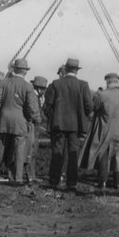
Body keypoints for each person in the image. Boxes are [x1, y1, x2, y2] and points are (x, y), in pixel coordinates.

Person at [43, 57, 93, 191]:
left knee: (56, 152)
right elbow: (89, 106)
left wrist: (53, 117)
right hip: (75, 126)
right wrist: (82, 116)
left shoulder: (56, 84)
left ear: (65, 69)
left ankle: (54, 181)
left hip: (58, 125)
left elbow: (47, 106)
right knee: (73, 153)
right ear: (77, 70)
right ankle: (71, 183)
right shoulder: (83, 85)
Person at [79, 72, 119, 192]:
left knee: (103, 155)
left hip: (105, 130)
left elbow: (94, 109)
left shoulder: (102, 95)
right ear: (117, 82)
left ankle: (102, 181)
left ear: (107, 82)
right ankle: (118, 183)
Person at [0, 58, 39, 185]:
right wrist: (35, 119)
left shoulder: (4, 82)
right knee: (19, 150)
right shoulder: (28, 86)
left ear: (14, 69)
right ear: (25, 72)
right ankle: (17, 178)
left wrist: (1, 112)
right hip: (20, 122)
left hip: (3, 120)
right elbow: (32, 107)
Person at [26, 75, 49, 185]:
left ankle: (32, 175)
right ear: (38, 88)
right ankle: (30, 176)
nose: (44, 91)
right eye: (43, 89)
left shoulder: (38, 98)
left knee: (33, 152)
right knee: (31, 151)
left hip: (35, 128)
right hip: (32, 128)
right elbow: (35, 114)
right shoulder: (33, 97)